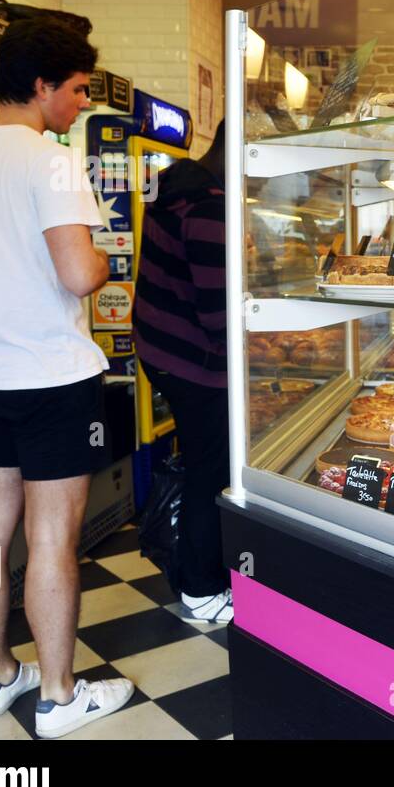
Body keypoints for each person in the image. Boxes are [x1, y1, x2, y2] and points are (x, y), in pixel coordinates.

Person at [0, 16, 135, 737]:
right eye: (74, 90)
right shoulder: (49, 159)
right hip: (50, 375)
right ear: (40, 85)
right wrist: (101, 260)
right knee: (49, 537)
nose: (78, 105)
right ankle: (61, 696)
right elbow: (78, 273)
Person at [132, 121, 234, 624]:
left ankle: (206, 568)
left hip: (162, 350)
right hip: (194, 362)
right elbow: (218, 315)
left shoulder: (177, 185)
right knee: (210, 469)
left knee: (203, 462)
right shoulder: (209, 204)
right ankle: (201, 587)